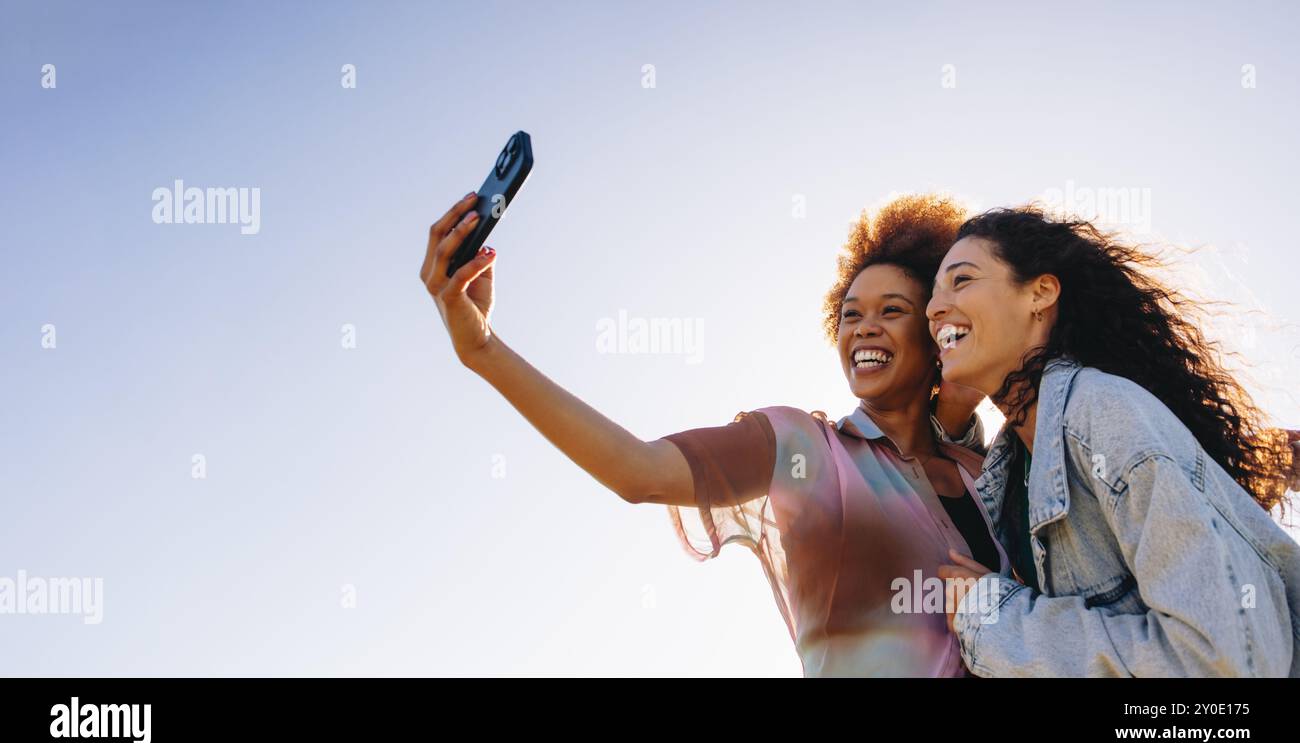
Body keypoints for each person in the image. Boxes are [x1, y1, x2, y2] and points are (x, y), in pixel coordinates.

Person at [420, 191, 1006, 676]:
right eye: (851, 314)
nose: (865, 328)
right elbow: (638, 471)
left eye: (892, 310)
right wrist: (482, 350)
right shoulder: (801, 446)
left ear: (935, 331)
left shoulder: (984, 471)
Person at [927, 207, 1300, 677]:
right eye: (933, 295)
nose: (934, 308)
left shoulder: (1100, 412)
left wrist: (997, 621)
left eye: (961, 281)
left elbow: (1220, 662)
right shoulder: (1014, 464)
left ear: (1040, 294)